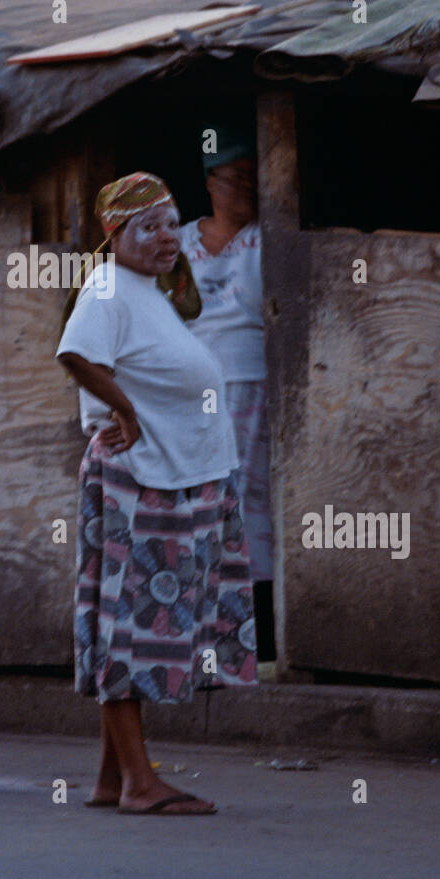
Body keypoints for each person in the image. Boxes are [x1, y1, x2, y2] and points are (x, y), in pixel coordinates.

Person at [56, 172, 257, 817]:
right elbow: (77, 355)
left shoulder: (145, 290)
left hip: (177, 476)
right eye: (150, 227)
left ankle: (114, 779)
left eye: (173, 223)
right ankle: (143, 785)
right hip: (139, 483)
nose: (167, 237)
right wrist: (127, 413)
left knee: (140, 625)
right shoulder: (110, 287)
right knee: (128, 626)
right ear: (116, 236)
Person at [178, 126, 275, 660]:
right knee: (201, 502)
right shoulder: (182, 243)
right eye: (233, 177)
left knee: (249, 503)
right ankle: (206, 631)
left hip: (252, 384)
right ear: (211, 183)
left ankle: (258, 636)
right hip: (193, 394)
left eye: (250, 178)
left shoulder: (266, 238)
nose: (244, 187)